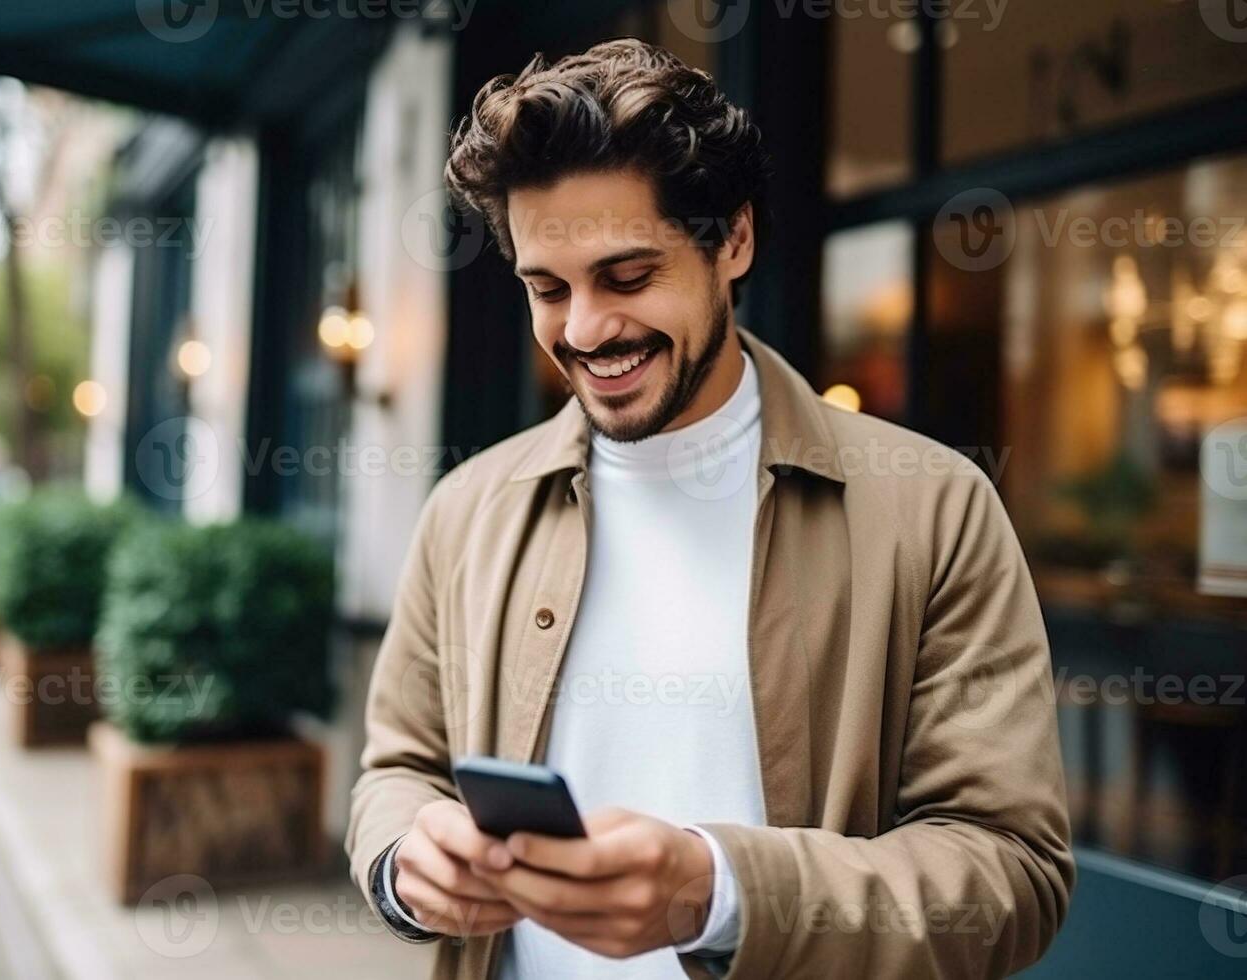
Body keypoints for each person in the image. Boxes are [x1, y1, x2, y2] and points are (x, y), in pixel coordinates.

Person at [346, 37, 1073, 979]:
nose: (584, 329)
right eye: (547, 288)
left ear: (733, 240)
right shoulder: (467, 509)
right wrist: (406, 865)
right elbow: (399, 770)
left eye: (628, 276)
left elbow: (1010, 872)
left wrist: (720, 894)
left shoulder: (935, 508)